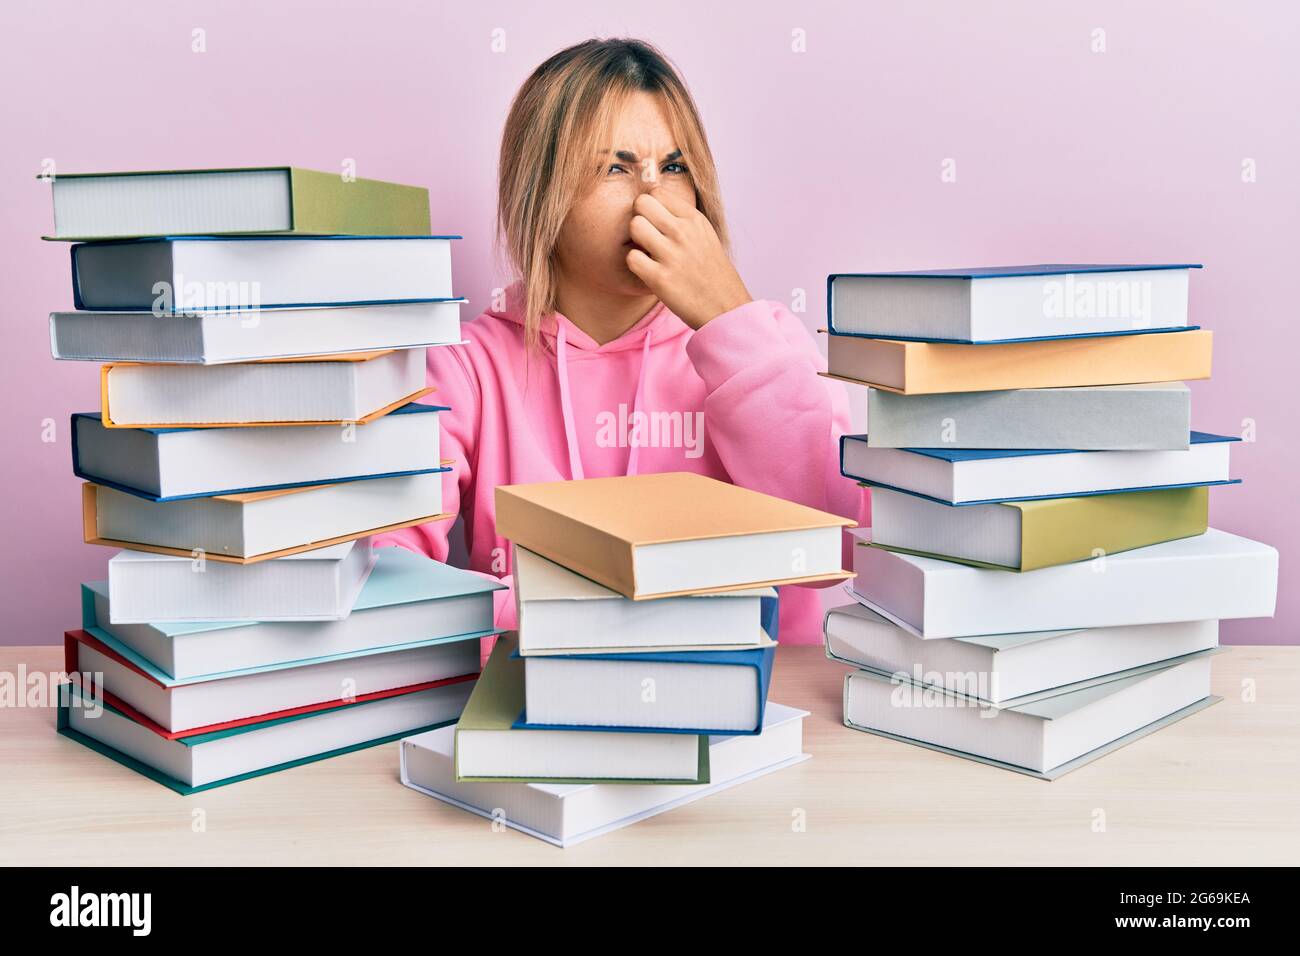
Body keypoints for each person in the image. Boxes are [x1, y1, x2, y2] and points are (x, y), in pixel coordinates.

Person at [373, 37, 868, 645]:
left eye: (675, 166)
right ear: (541, 196)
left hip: (760, 703)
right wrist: (587, 632)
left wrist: (728, 319)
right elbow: (389, 575)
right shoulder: (466, 369)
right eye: (616, 167)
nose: (655, 196)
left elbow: (839, 536)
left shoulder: (762, 344)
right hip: (540, 699)